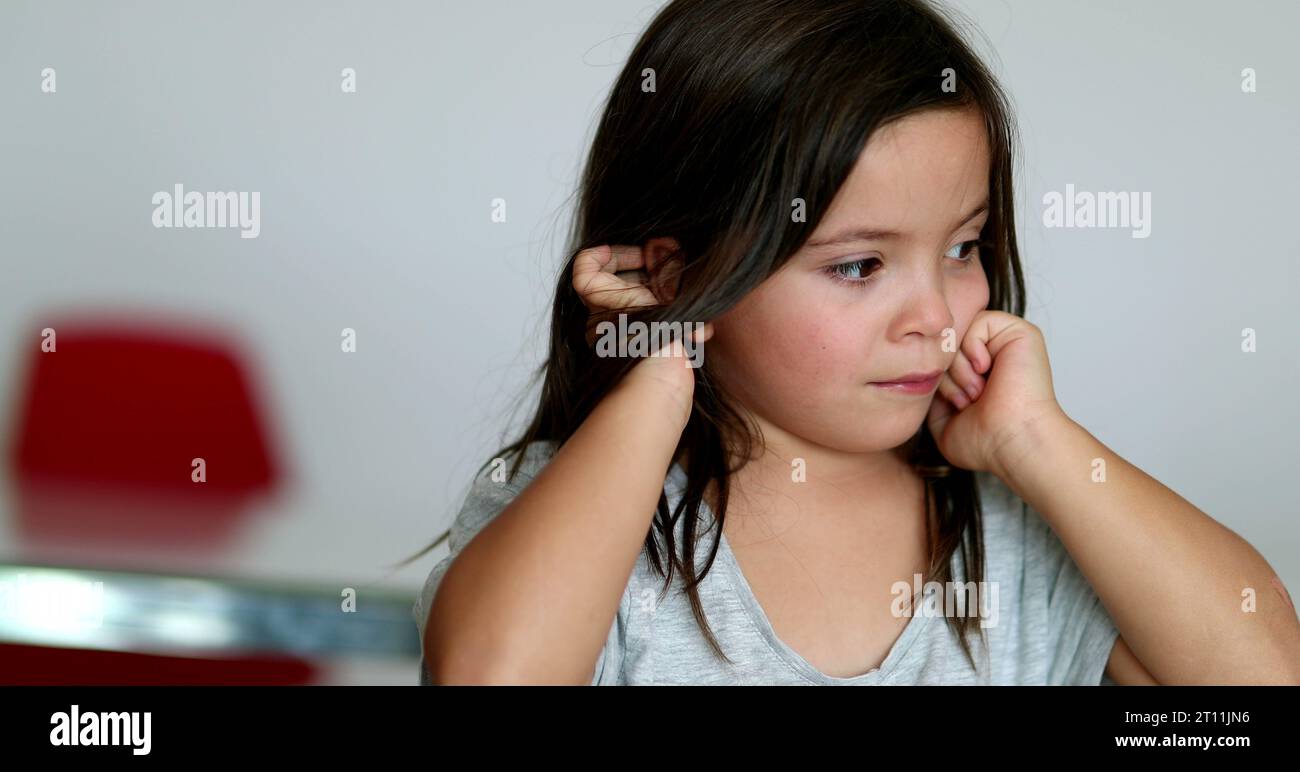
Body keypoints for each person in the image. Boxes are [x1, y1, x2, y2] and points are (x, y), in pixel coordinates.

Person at [410, 0, 1300, 685]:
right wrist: (659, 374)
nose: (933, 315)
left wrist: (1038, 439)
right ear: (683, 277)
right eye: (861, 265)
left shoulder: (1017, 530)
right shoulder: (587, 508)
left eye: (963, 248)